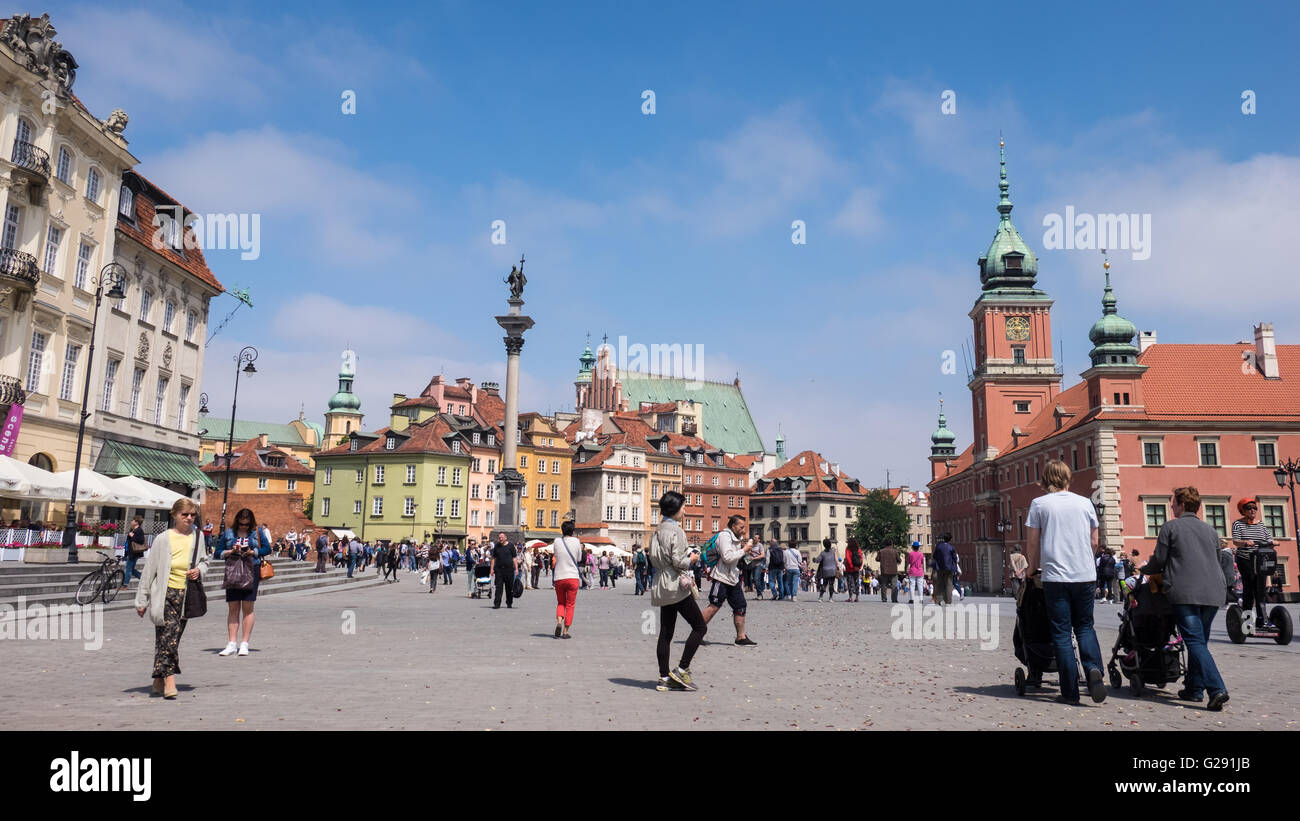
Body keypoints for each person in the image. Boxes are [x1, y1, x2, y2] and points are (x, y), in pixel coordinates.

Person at [1141, 487, 1233, 711]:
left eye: (1174, 503)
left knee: (1194, 641)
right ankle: (1193, 689)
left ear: (1182, 505)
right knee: (1199, 642)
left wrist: (1144, 570)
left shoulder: (1170, 527)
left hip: (1185, 592)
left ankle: (1217, 689)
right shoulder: (1210, 530)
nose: (1172, 506)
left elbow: (1159, 560)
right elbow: (1219, 558)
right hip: (1213, 593)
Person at [1025, 459, 1106, 705]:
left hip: (1056, 577)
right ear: (1068, 477)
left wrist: (1030, 569)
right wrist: (1084, 560)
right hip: (1085, 575)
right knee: (1084, 626)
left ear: (1045, 479)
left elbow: (1032, 542)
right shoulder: (1085, 503)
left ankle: (1070, 691)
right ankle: (1093, 669)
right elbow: (1094, 541)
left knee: (1061, 632)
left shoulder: (1039, 504)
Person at [134, 497, 206, 699]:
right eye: (185, 514)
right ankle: (169, 680)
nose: (189, 518)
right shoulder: (163, 539)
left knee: (171, 638)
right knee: (169, 637)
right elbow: (149, 571)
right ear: (175, 515)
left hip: (186, 595)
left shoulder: (198, 537)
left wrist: (199, 570)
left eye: (192, 515)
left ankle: (158, 678)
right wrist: (142, 600)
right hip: (164, 594)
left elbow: (205, 561)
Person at [649, 492, 706, 691]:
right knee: (700, 627)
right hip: (676, 584)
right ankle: (682, 669)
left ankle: (663, 677)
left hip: (661, 584)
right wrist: (692, 558)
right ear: (674, 509)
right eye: (683, 507)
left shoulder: (656, 531)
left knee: (666, 632)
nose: (685, 510)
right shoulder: (676, 531)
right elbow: (678, 561)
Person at [213, 508, 271, 658]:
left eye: (246, 524)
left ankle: (244, 643)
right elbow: (217, 553)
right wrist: (230, 551)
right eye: (241, 524)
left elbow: (267, 549)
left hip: (252, 569)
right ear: (237, 522)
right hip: (233, 569)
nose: (243, 527)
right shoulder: (229, 533)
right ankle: (232, 643)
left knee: (248, 606)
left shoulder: (257, 532)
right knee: (233, 606)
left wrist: (252, 552)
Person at [701, 515, 757, 645]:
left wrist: (747, 552)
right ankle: (697, 633)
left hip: (733, 578)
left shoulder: (738, 538)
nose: (744, 530)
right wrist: (743, 550)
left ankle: (741, 637)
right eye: (741, 527)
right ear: (733, 526)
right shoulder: (724, 536)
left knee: (740, 606)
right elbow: (727, 557)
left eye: (745, 527)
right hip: (721, 577)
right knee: (714, 606)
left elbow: (739, 558)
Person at [1231, 496, 1275, 627]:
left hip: (1260, 559)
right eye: (1248, 508)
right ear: (1242, 511)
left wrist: (1273, 542)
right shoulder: (1238, 524)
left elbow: (1268, 537)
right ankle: (1248, 621)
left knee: (1260, 590)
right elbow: (1235, 540)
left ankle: (1263, 620)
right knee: (1249, 589)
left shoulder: (1260, 523)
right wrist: (1245, 542)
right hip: (1245, 559)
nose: (1252, 510)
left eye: (1254, 507)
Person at [552, 522, 582, 638]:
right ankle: (565, 631)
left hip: (559, 576)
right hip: (572, 577)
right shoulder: (576, 541)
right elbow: (579, 558)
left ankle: (559, 621)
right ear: (573, 531)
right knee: (570, 605)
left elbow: (556, 555)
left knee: (561, 602)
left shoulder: (557, 541)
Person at [489, 532, 519, 609]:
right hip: (499, 570)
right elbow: (493, 558)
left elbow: (514, 558)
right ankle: (497, 604)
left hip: (509, 570)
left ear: (506, 537)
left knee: (509, 588)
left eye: (502, 537)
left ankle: (509, 603)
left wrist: (516, 568)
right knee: (498, 587)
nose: (500, 539)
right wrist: (491, 569)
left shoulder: (511, 546)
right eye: (499, 537)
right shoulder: (497, 546)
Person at [932, 533, 958, 605]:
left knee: (939, 583)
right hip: (949, 568)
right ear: (950, 539)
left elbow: (934, 556)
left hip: (939, 567)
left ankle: (938, 600)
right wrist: (955, 568)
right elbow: (955, 558)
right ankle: (948, 601)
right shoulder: (951, 547)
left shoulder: (939, 547)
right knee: (948, 584)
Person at [123, 515, 147, 586]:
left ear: (136, 522)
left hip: (134, 553)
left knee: (128, 569)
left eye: (133, 520)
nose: (131, 521)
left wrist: (132, 536)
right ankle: (144, 580)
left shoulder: (139, 530)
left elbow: (141, 540)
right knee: (131, 569)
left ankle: (125, 584)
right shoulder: (133, 529)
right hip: (130, 552)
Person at [843, 538, 863, 602]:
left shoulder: (848, 549)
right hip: (857, 568)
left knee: (850, 583)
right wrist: (859, 567)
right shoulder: (858, 549)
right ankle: (857, 597)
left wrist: (851, 566)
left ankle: (850, 597)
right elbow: (861, 558)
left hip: (849, 569)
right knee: (857, 583)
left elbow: (848, 558)